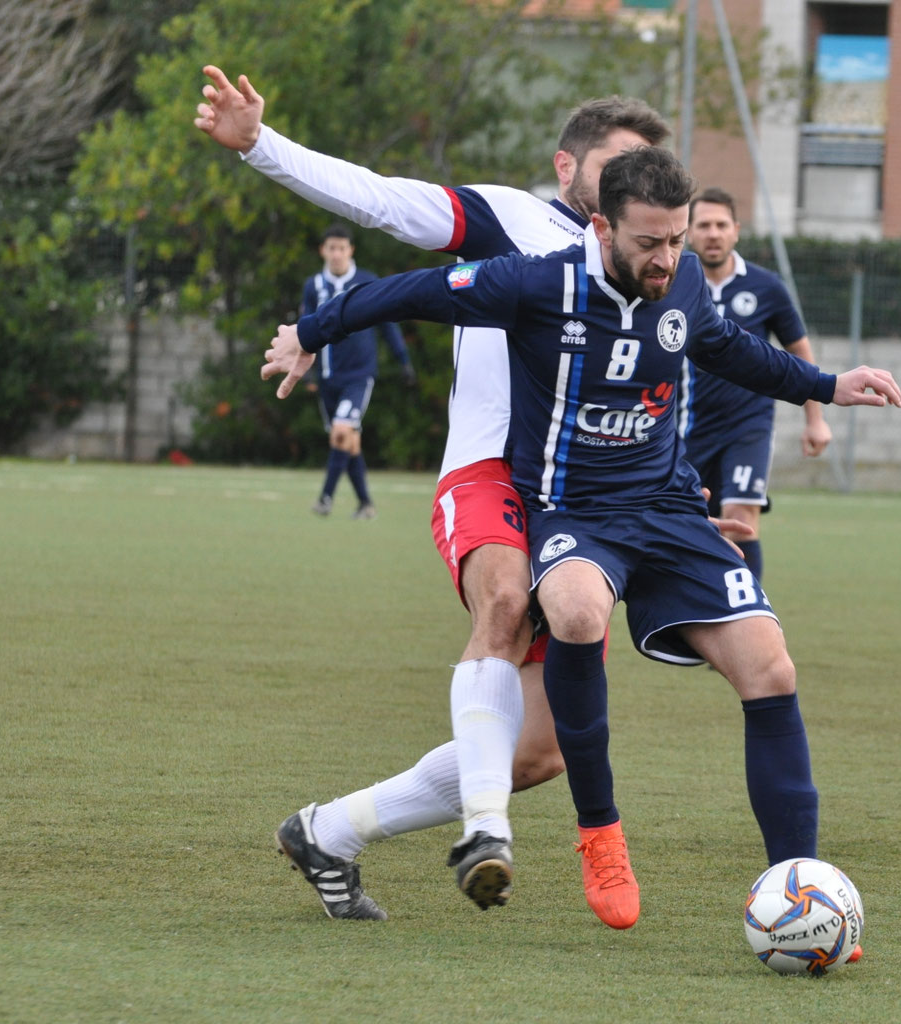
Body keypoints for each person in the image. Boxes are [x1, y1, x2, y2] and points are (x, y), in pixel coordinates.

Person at [260, 145, 901, 932]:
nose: (668, 259)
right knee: (571, 612)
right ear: (602, 226)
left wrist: (826, 386)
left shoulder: (686, 281)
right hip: (575, 512)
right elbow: (412, 290)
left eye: (676, 241)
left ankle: (800, 897)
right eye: (649, 244)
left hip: (668, 509)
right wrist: (313, 332)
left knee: (771, 667)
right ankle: (600, 834)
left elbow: (731, 350)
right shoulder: (541, 281)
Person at [194, 65, 670, 919]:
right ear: (567, 169)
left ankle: (328, 830)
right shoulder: (510, 220)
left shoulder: (645, 269)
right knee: (502, 598)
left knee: (539, 752)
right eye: (619, 166)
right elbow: (380, 199)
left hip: (580, 505)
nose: (636, 186)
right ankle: (485, 832)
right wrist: (261, 146)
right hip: (490, 470)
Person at [682, 188, 831, 586]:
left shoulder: (766, 287)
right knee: (690, 524)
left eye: (721, 225)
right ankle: (699, 613)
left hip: (748, 424)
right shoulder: (674, 282)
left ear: (736, 231)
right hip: (686, 428)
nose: (713, 233)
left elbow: (800, 352)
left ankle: (748, 617)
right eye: (704, 225)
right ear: (689, 232)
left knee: (741, 518)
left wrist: (814, 419)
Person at [300, 224, 415, 520]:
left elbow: (387, 324)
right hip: (328, 376)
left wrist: (403, 360)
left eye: (342, 248)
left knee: (340, 432)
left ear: (351, 250)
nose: (336, 254)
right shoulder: (313, 286)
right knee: (348, 440)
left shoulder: (367, 282)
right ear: (322, 251)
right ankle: (366, 505)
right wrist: (307, 371)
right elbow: (306, 327)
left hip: (359, 375)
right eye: (331, 248)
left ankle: (325, 498)